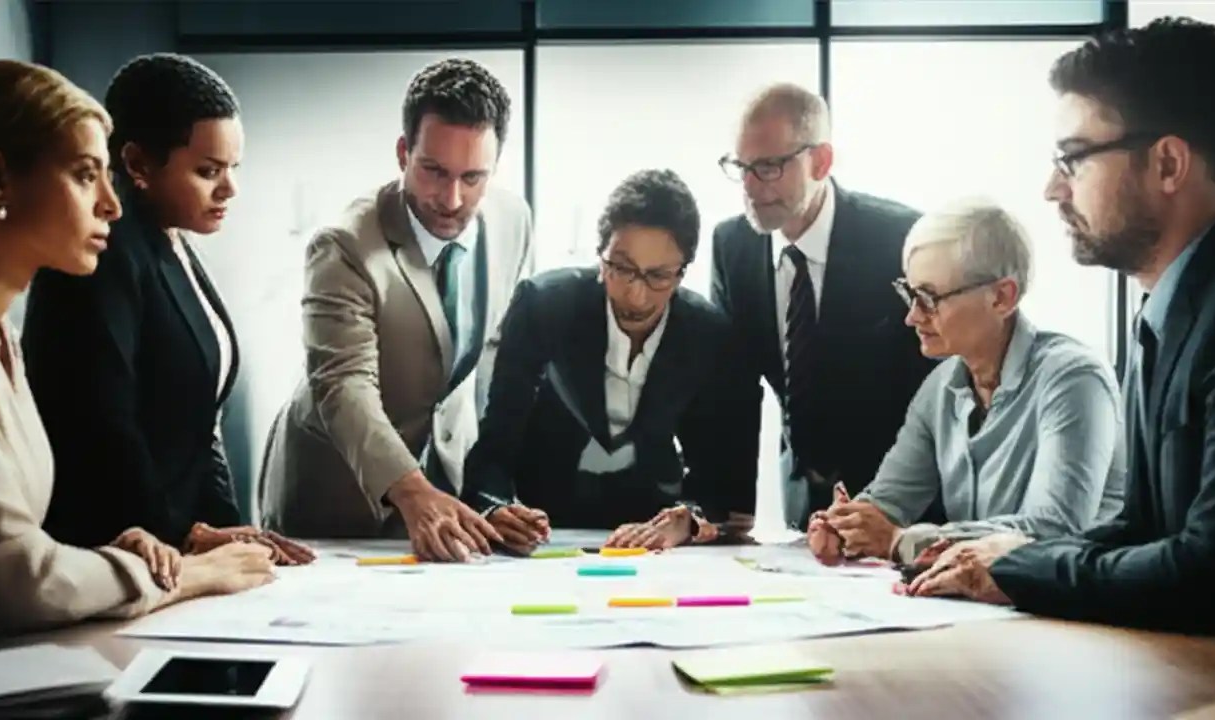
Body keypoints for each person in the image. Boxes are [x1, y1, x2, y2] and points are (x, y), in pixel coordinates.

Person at [906, 18, 1215, 647]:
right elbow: (1142, 527)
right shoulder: (1167, 311)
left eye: (1072, 158)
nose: (1052, 188)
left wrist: (1020, 566)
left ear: (1167, 163)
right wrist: (1002, 556)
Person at [0, 59, 273, 635]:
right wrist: (189, 565)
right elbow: (21, 572)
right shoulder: (112, 258)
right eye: (82, 174)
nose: (111, 204)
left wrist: (201, 534)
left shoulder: (6, 342)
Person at [259, 58, 534, 562]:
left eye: (473, 176)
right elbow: (343, 386)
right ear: (404, 152)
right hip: (335, 491)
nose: (452, 198)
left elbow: (488, 365)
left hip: (441, 490)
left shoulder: (512, 220)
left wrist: (488, 495)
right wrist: (412, 490)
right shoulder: (344, 246)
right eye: (433, 171)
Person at [805, 198, 1124, 566]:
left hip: (1081, 610)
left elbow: (1053, 529)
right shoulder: (940, 386)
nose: (911, 317)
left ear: (1002, 297)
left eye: (928, 298)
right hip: (991, 602)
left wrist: (901, 541)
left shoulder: (1074, 380)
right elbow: (888, 503)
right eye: (908, 293)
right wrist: (843, 526)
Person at [461, 169, 752, 554]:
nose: (636, 295)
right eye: (621, 268)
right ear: (600, 258)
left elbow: (719, 480)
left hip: (652, 531)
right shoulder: (544, 304)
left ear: (683, 272)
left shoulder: (708, 334)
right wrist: (495, 508)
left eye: (658, 276)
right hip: (543, 525)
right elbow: (494, 448)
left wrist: (687, 520)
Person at [712, 82, 936, 530]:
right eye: (741, 167)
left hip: (903, 504)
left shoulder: (901, 238)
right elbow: (731, 388)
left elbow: (935, 381)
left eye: (769, 167)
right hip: (804, 507)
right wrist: (727, 514)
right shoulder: (732, 245)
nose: (751, 187)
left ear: (821, 160)